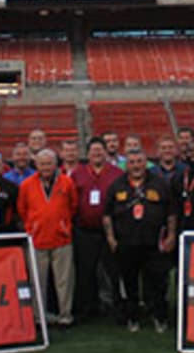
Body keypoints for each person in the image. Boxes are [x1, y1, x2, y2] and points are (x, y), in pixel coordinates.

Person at [104, 149, 176, 332]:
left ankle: (159, 317)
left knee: (157, 283)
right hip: (127, 244)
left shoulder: (160, 183)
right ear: (126, 165)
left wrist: (171, 235)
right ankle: (132, 317)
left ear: (146, 163)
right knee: (129, 283)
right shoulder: (117, 185)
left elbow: (171, 213)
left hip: (154, 244)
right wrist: (111, 238)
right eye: (132, 162)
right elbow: (107, 215)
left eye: (139, 161)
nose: (136, 165)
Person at [17, 149, 78, 327]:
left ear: (55, 164)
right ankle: (38, 317)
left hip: (62, 239)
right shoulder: (27, 185)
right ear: (36, 165)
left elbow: (73, 206)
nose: (46, 167)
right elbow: (22, 209)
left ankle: (65, 315)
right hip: (37, 239)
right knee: (37, 281)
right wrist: (33, 226)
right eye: (42, 164)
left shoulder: (66, 182)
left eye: (49, 163)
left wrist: (63, 224)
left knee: (64, 280)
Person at [70, 137, 123, 319]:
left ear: (106, 152)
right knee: (86, 270)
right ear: (88, 154)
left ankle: (114, 305)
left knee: (112, 270)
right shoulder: (78, 173)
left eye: (100, 150)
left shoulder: (116, 173)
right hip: (85, 230)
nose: (97, 154)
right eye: (93, 151)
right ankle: (88, 307)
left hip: (110, 231)